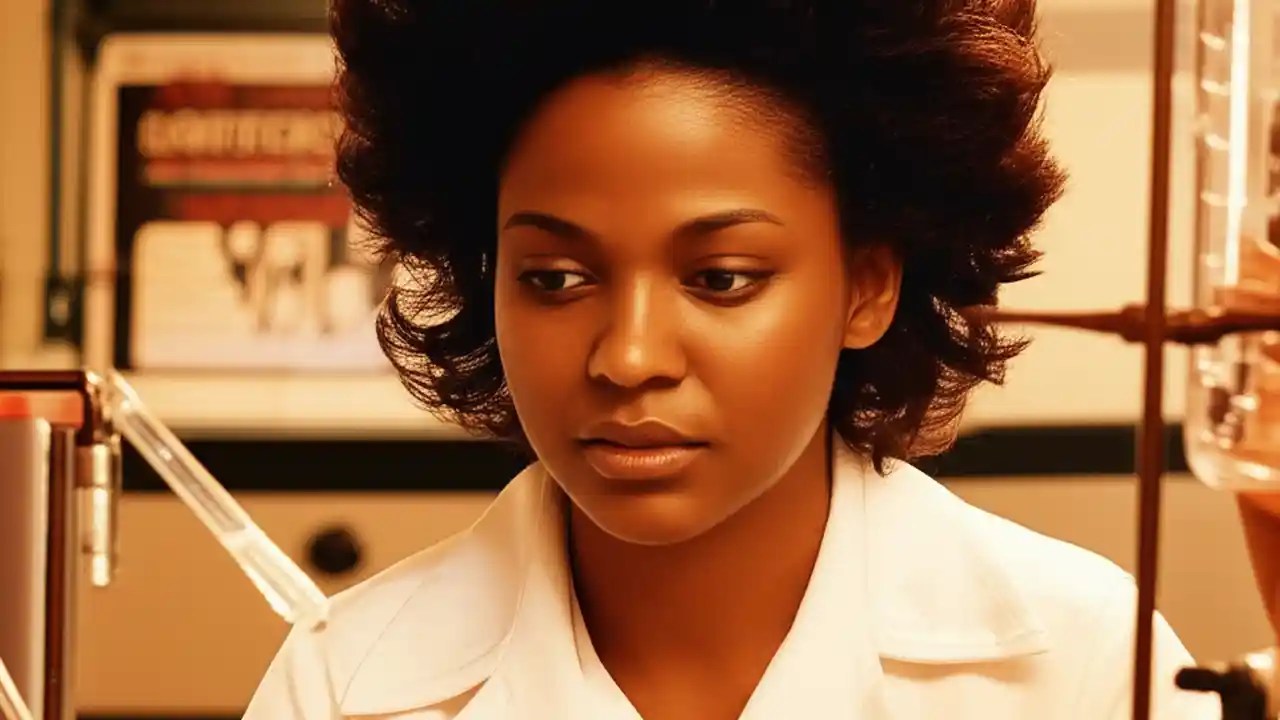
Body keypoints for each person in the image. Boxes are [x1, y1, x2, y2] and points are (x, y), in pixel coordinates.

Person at [244, 1, 1218, 718]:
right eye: (552, 278)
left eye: (718, 278)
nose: (626, 358)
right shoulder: (343, 686)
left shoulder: (1082, 666)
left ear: (865, 287)